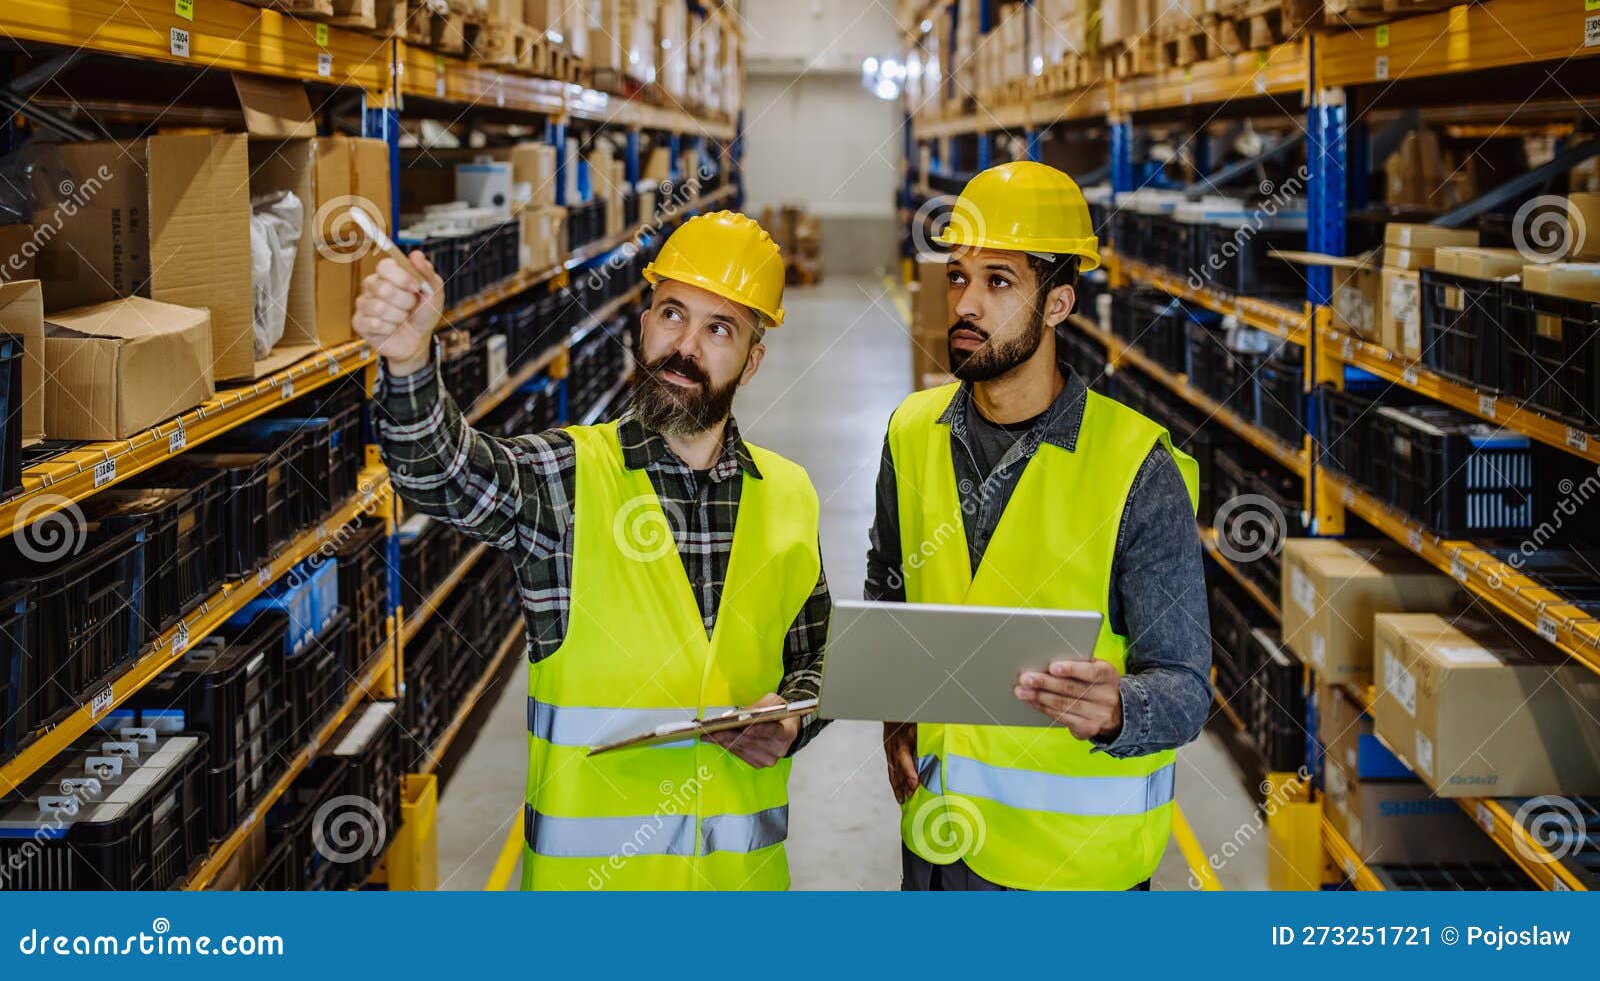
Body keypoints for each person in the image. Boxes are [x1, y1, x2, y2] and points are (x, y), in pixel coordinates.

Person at [356, 211, 830, 891]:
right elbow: (442, 474)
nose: (685, 346)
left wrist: (793, 720)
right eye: (672, 314)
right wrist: (408, 362)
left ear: (752, 362)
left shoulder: (790, 495)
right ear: (643, 325)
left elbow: (817, 655)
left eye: (719, 329)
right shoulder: (566, 480)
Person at [866, 161, 1211, 891]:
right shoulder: (911, 432)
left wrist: (1120, 708)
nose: (966, 304)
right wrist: (896, 711)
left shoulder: (1136, 468)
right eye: (957, 277)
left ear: (1057, 304)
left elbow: (1184, 686)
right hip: (938, 847)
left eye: (998, 282)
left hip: (1075, 871)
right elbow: (891, 593)